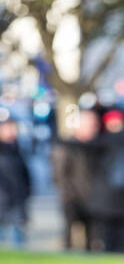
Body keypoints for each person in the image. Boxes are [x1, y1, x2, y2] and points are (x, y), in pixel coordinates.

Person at [50, 103, 101, 250]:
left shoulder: (96, 146)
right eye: (90, 124)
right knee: (69, 236)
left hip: (92, 198)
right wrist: (69, 195)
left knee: (92, 239)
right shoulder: (66, 146)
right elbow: (59, 175)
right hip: (73, 198)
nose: (94, 127)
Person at [0, 115, 32, 246]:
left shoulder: (17, 149)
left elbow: (25, 174)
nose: (12, 131)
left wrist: (26, 191)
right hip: (0, 200)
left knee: (18, 237)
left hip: (17, 200)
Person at [87, 105, 124, 253]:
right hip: (107, 199)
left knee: (112, 239)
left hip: (110, 198)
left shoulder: (104, 140)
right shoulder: (103, 141)